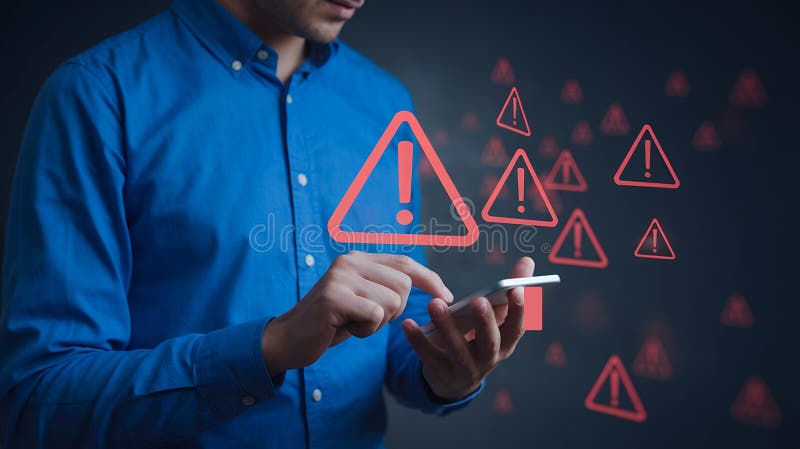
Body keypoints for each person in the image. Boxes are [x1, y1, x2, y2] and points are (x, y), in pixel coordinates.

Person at [0, 0, 533, 447]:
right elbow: (40, 397)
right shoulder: (99, 95)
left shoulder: (385, 103)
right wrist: (269, 348)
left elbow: (398, 322)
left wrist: (443, 370)